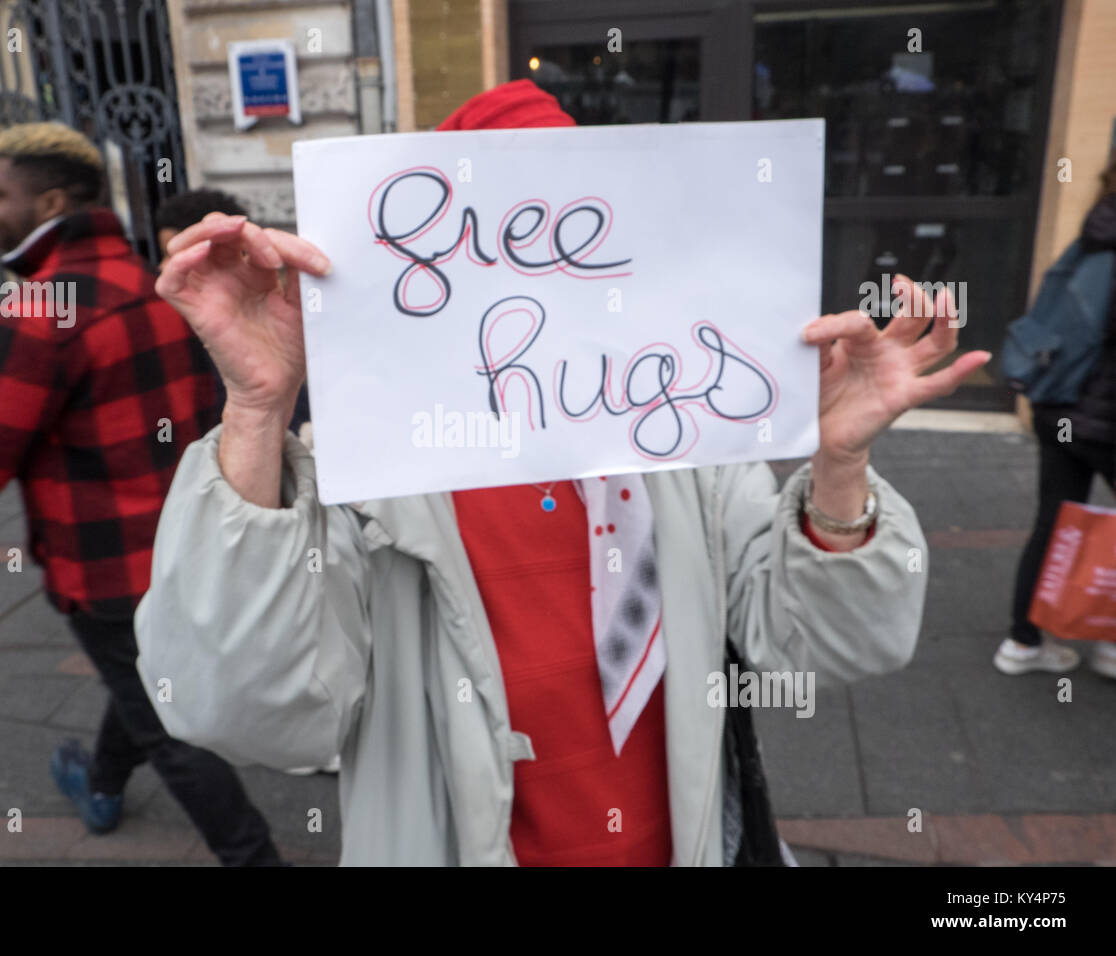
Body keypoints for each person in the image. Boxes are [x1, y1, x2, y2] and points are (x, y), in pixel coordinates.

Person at [134, 80, 991, 865]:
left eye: (585, 235)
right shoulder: (372, 468)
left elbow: (819, 647)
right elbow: (236, 710)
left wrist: (838, 465)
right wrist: (256, 410)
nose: (557, 274)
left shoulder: (684, 446)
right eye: (514, 237)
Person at [0, 122, 282, 866]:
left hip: (107, 570)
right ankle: (100, 781)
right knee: (141, 680)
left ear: (49, 201)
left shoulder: (38, 312)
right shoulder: (154, 285)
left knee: (166, 726)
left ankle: (253, 856)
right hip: (185, 548)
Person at [997, 161, 1116, 677]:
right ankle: (1108, 643)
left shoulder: (1098, 227)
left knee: (1054, 521)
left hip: (1058, 403)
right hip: (1102, 412)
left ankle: (1021, 643)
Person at [154, 188, 312, 435]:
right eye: (164, 255)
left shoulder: (252, 321)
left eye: (175, 255)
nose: (162, 266)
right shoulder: (174, 322)